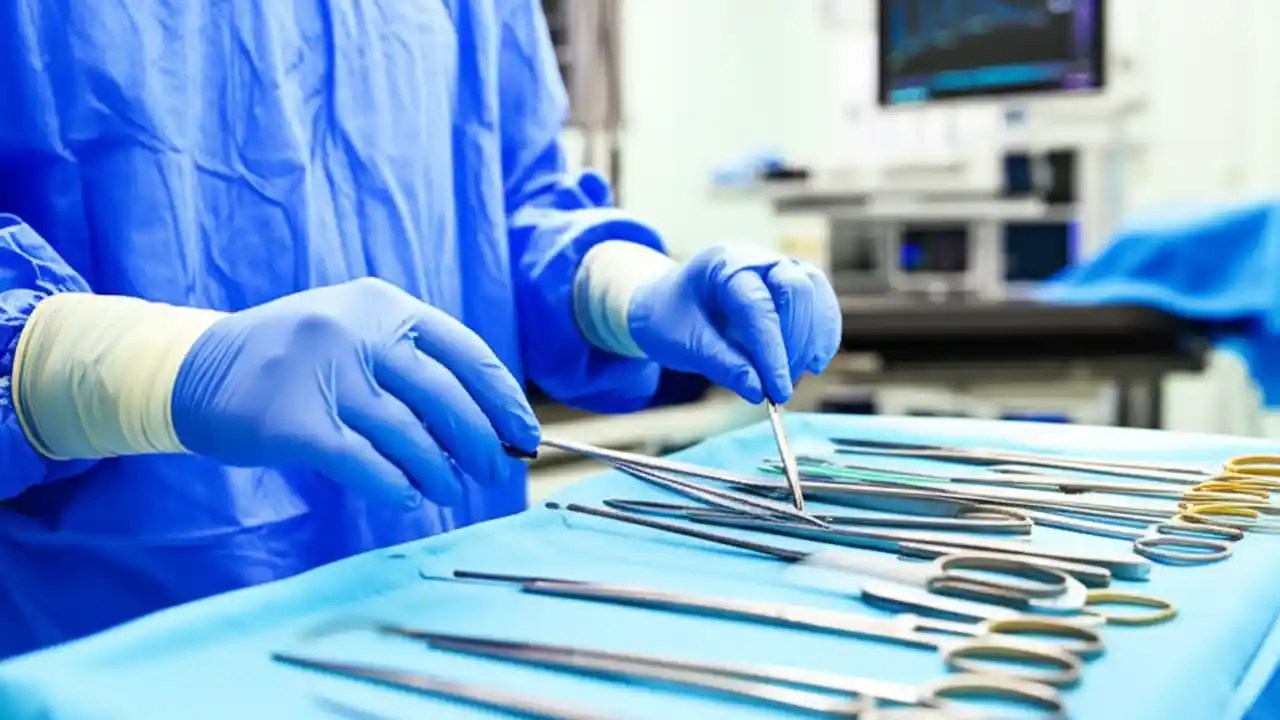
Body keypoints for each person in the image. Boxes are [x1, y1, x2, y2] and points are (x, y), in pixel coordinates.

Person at [0, 1, 842, 658]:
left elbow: (503, 199)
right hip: (127, 630)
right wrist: (153, 373)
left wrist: (624, 288)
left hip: (457, 591)